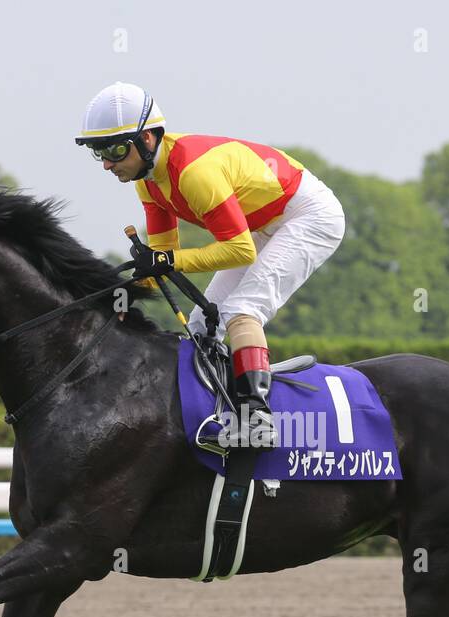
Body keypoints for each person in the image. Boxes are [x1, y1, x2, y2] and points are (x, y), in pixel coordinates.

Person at [75, 81, 346, 448]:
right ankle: (215, 414)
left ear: (148, 139)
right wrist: (117, 295)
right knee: (203, 323)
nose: (107, 163)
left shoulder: (193, 174)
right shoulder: (148, 183)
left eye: (116, 150)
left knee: (241, 310)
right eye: (99, 152)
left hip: (307, 215)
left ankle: (257, 420)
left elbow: (239, 251)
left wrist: (169, 260)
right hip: (261, 222)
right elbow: (162, 264)